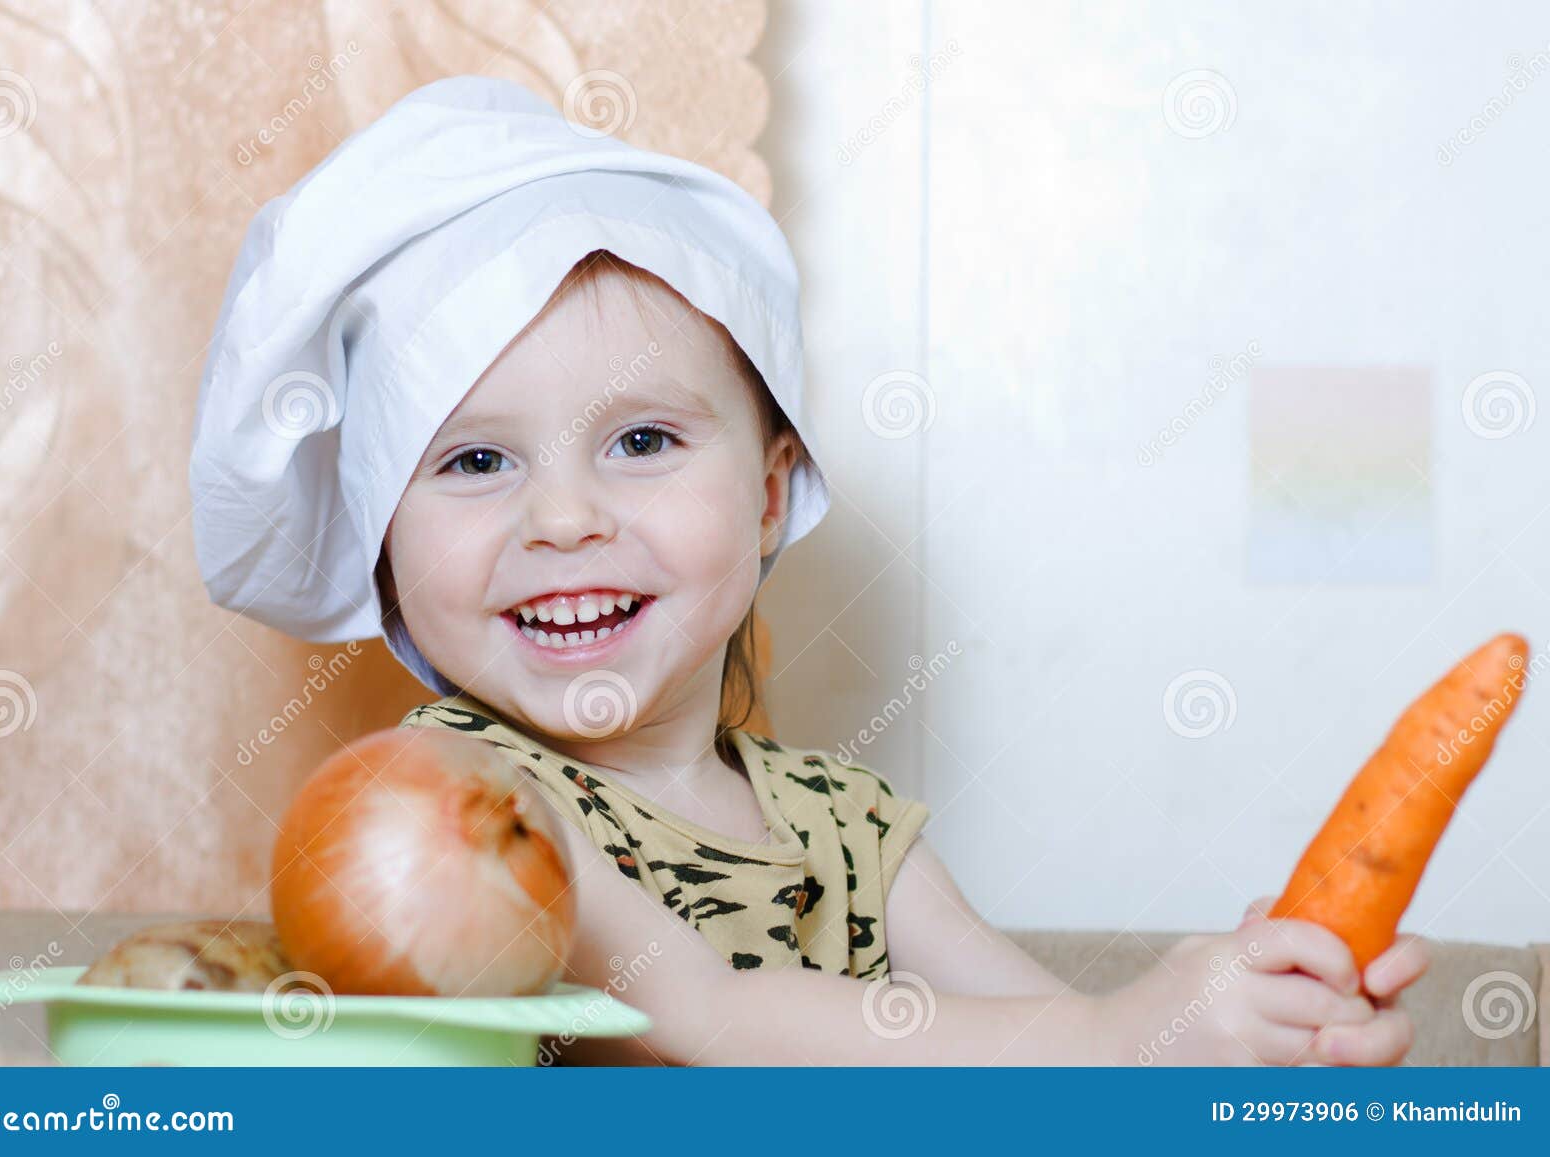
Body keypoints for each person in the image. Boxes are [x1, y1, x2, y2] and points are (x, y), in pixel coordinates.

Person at [189, 75, 1427, 1066]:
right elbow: (703, 1012)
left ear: (773, 488)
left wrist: (1245, 1027)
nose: (561, 518)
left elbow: (1042, 1045)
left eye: (641, 440)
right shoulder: (468, 800)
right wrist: (1121, 1037)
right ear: (385, 551)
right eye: (470, 461)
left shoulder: (850, 829)